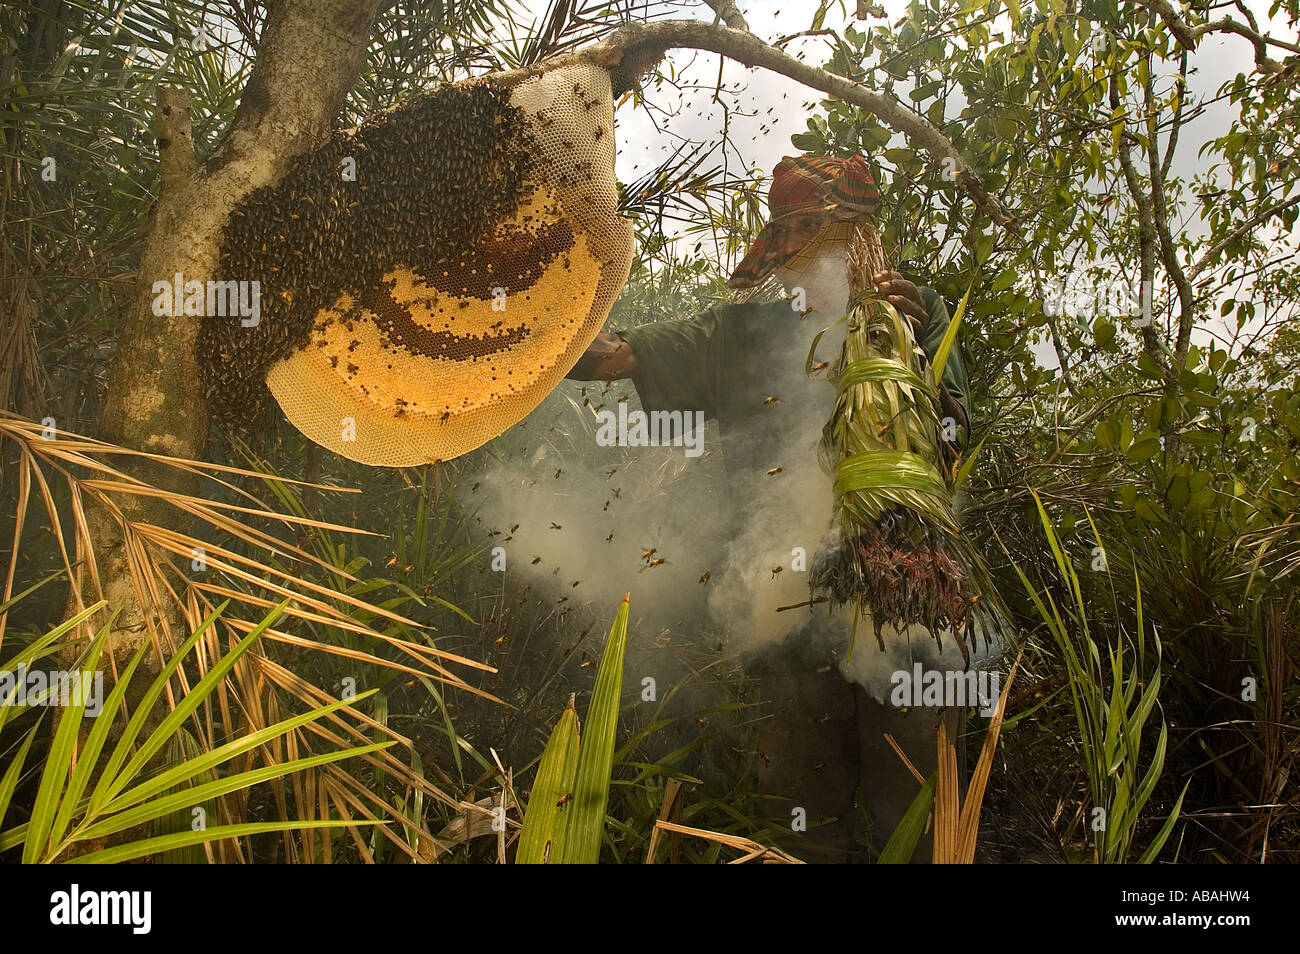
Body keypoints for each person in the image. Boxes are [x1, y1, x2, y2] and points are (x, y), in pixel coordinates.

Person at [566, 154, 973, 862]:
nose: (788, 249)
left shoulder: (917, 309)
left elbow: (956, 436)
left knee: (922, 827)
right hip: (784, 611)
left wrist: (905, 354)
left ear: (855, 233)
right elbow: (611, 356)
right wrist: (522, 318)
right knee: (801, 830)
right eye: (781, 232)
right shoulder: (738, 336)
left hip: (909, 604)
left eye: (807, 229)